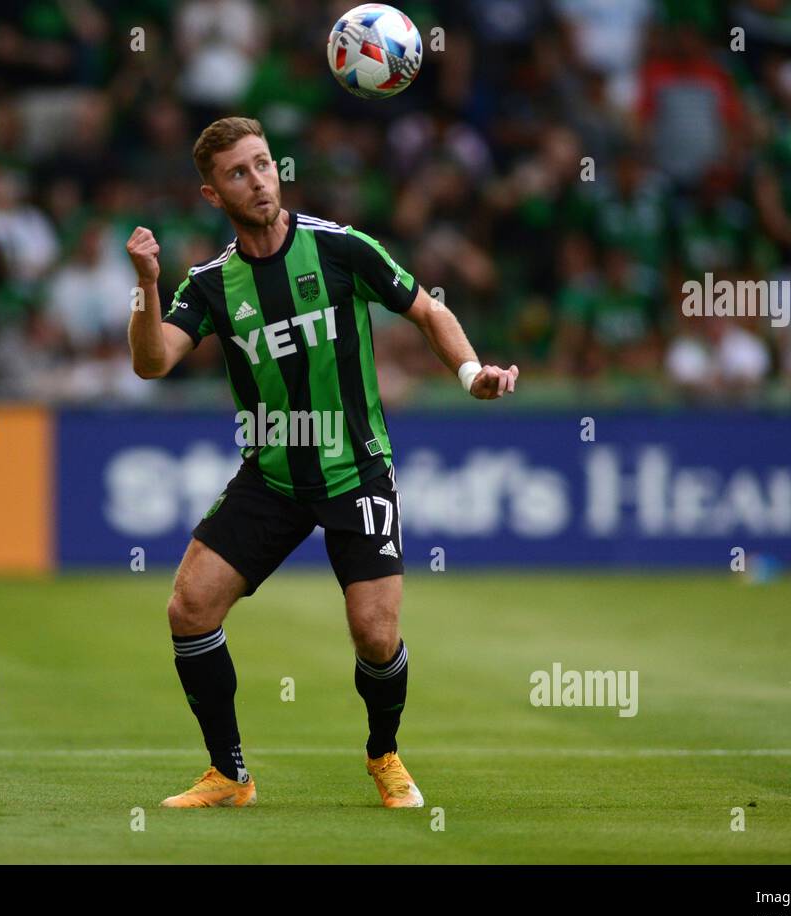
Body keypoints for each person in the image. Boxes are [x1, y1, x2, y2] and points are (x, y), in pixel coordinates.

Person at [125, 117, 519, 809]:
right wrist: (148, 284)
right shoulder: (213, 283)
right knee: (189, 608)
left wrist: (470, 372)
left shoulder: (340, 247)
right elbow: (153, 360)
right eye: (238, 173)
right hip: (272, 477)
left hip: (355, 468)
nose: (258, 180)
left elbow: (428, 311)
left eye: (264, 164)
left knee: (375, 632)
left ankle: (384, 753)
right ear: (212, 195)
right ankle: (229, 774)